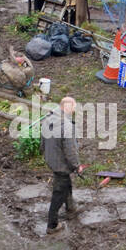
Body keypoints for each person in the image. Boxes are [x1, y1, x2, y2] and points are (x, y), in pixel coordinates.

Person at [41, 96, 85, 235]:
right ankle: (52, 225)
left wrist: (45, 154)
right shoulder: (66, 126)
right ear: (67, 107)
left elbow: (42, 141)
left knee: (65, 183)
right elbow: (70, 150)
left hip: (51, 158)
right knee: (59, 192)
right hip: (61, 164)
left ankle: (71, 208)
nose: (74, 111)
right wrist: (77, 165)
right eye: (73, 108)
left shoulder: (48, 119)